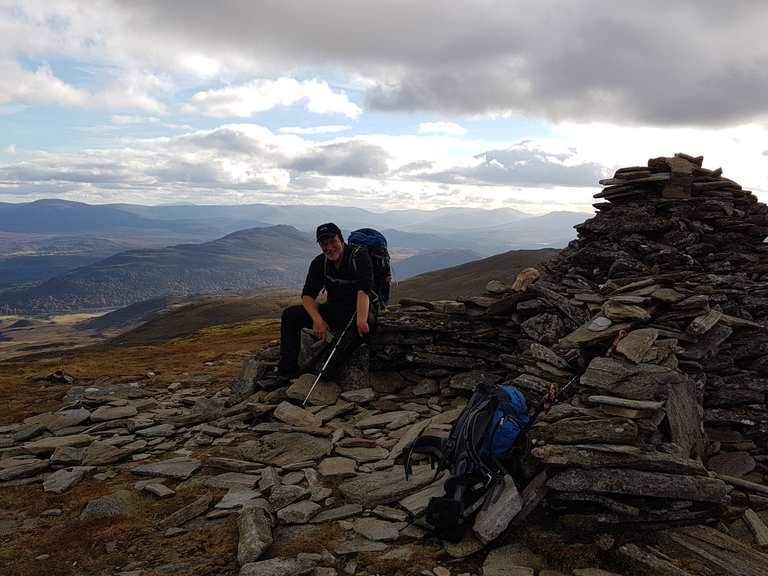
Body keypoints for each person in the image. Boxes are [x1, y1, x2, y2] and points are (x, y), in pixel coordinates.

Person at [275, 222, 375, 383]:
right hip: (334, 310)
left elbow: (364, 290)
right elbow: (307, 295)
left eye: (332, 241)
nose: (329, 247)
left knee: (362, 326)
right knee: (290, 315)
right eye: (323, 244)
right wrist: (318, 320)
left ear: (341, 239)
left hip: (359, 311)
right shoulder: (320, 263)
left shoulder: (359, 257)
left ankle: (329, 370)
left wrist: (361, 319)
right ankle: (286, 371)